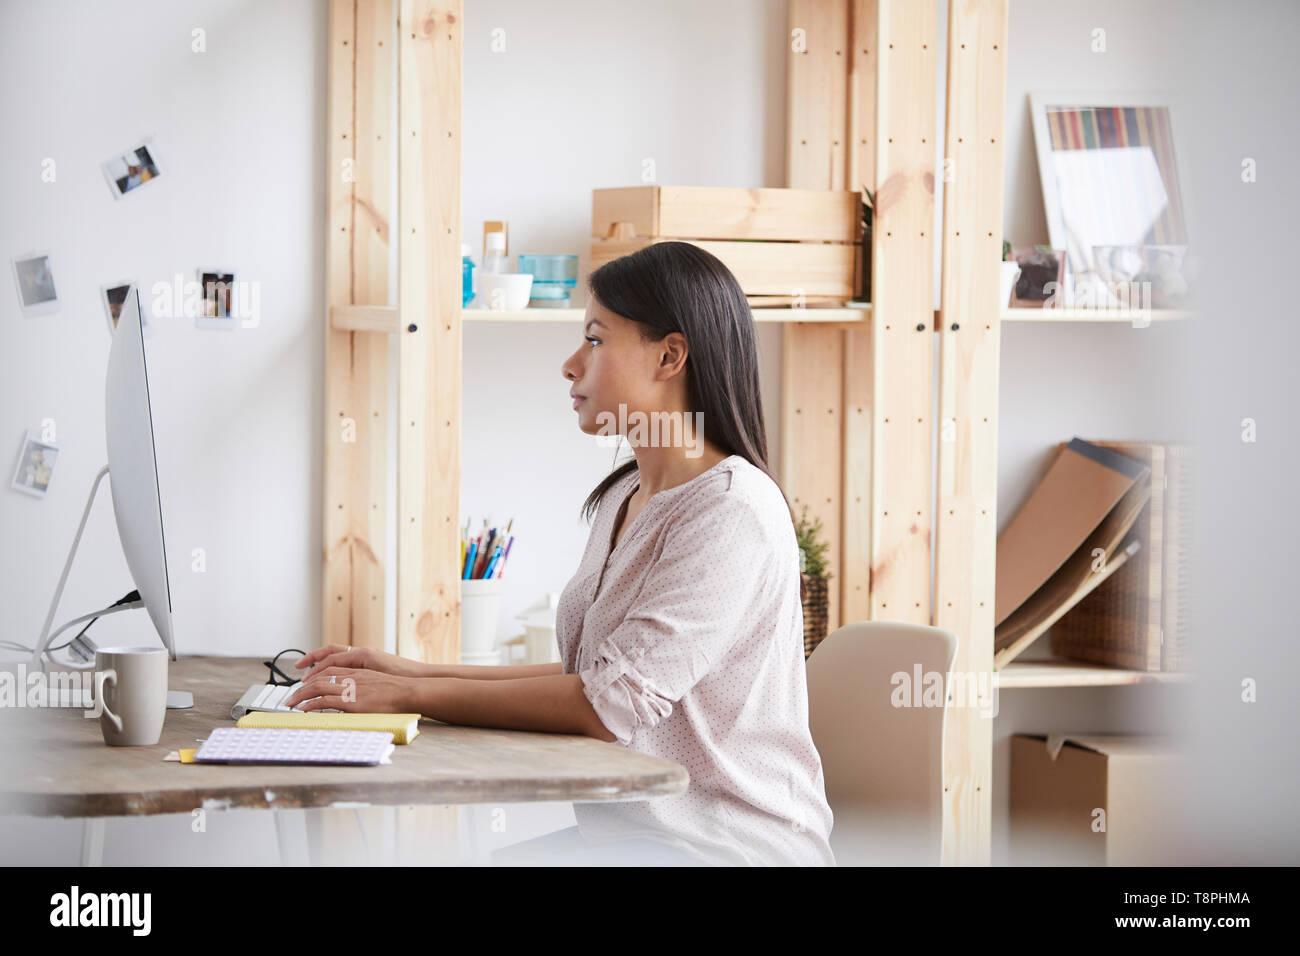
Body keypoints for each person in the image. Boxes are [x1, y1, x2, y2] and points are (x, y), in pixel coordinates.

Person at [289, 241, 836, 867]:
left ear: (670, 354)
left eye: (596, 340)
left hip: (723, 847)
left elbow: (608, 706)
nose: (571, 365)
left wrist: (406, 698)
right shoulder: (628, 494)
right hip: (638, 840)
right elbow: (594, 677)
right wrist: (404, 672)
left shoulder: (731, 512)